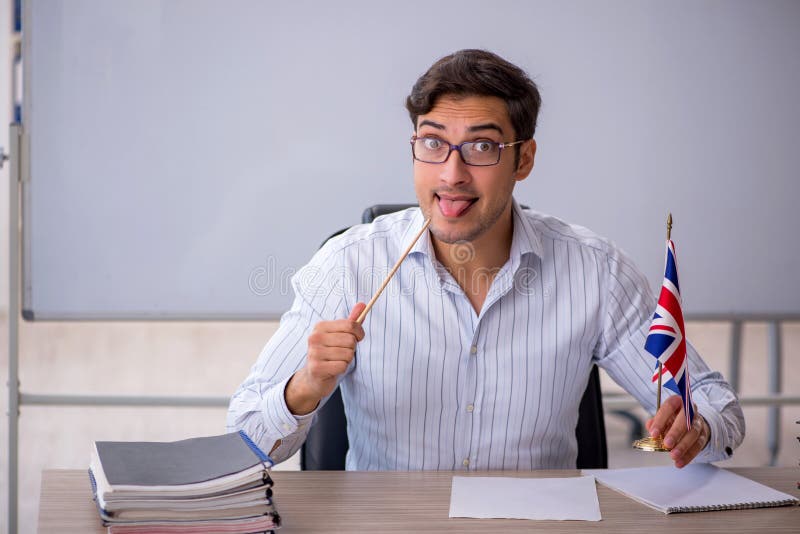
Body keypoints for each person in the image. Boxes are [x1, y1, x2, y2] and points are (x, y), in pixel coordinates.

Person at [227, 49, 744, 470]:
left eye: (481, 147)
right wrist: (304, 389)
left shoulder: (595, 270)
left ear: (525, 159)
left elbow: (716, 405)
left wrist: (696, 427)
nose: (451, 173)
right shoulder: (347, 265)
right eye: (432, 142)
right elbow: (244, 439)